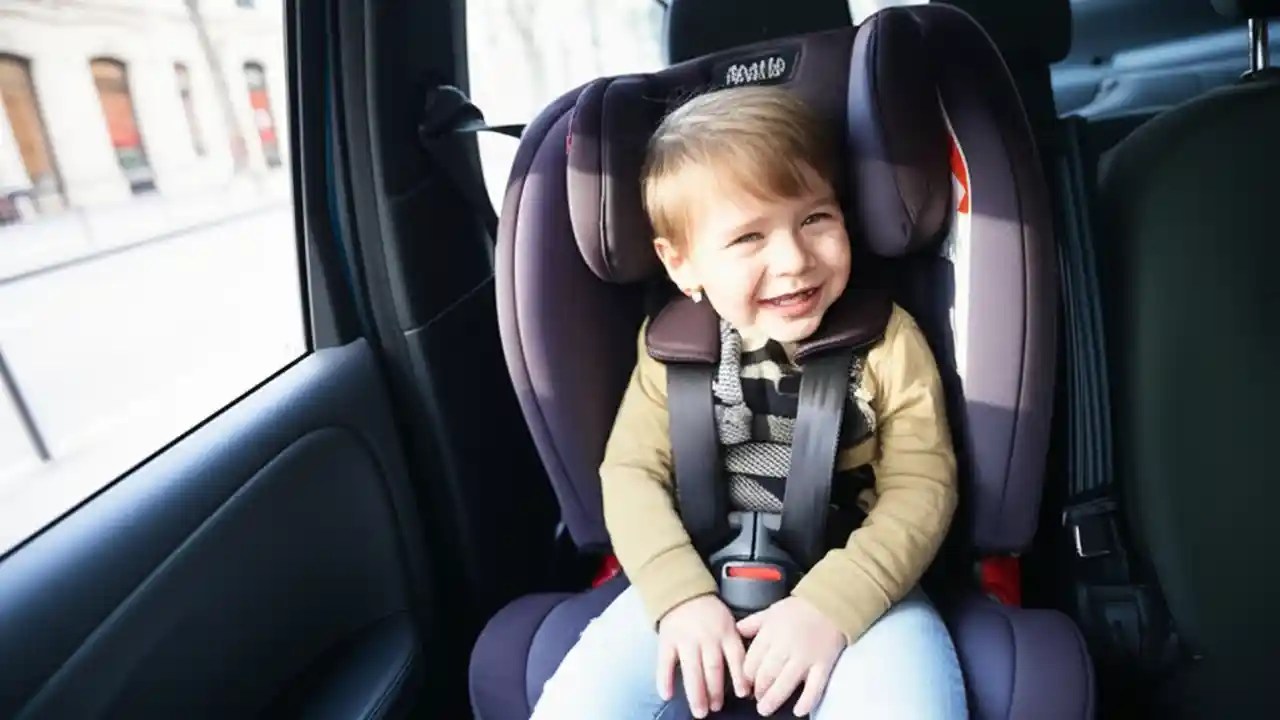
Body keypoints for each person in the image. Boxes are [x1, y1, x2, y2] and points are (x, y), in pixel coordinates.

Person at [530, 85, 967, 719]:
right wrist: (678, 595)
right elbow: (630, 475)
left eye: (815, 218)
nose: (793, 259)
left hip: (858, 576)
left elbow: (923, 485)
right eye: (747, 239)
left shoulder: (886, 341)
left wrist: (836, 602)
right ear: (682, 265)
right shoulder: (673, 353)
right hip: (696, 570)